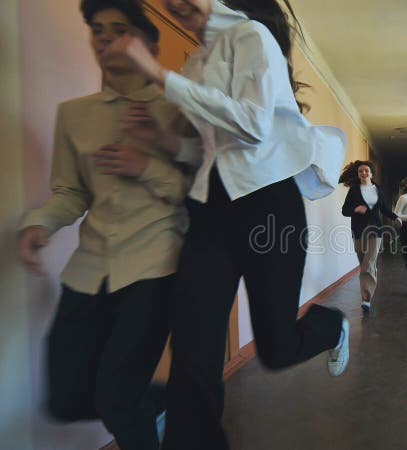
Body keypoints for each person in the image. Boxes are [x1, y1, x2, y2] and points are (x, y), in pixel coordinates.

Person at [104, 1, 349, 448]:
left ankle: (332, 327)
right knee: (195, 349)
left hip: (270, 207)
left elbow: (254, 127)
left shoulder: (251, 36)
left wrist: (160, 75)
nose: (175, 5)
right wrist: (162, 142)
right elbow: (213, 155)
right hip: (211, 210)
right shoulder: (198, 59)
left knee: (275, 349)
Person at [16, 1, 193, 448]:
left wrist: (146, 167)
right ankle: (166, 401)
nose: (106, 40)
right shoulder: (74, 115)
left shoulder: (180, 109)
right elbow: (71, 192)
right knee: (65, 399)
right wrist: (40, 225)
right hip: (89, 268)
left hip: (155, 268)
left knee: (116, 397)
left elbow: (200, 196)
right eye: (97, 30)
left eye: (119, 30)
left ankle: (147, 406)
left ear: (148, 44)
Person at [340, 160, 402, 312]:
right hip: (359, 230)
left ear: (371, 173)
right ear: (358, 174)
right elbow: (344, 210)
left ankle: (366, 299)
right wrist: (356, 209)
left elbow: (385, 208)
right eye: (360, 171)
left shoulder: (377, 189)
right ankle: (369, 281)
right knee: (365, 263)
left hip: (375, 230)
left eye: (366, 171)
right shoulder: (354, 190)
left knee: (368, 264)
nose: (363, 173)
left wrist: (395, 217)